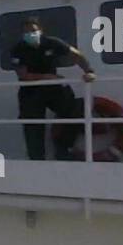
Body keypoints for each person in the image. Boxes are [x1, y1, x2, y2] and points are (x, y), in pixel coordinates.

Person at [8, 17, 97, 161]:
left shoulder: (52, 43)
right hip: (30, 92)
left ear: (40, 31)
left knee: (76, 109)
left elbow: (76, 55)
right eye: (26, 32)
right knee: (33, 126)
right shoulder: (17, 49)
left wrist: (89, 71)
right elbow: (24, 75)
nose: (30, 34)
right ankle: (36, 160)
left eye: (33, 30)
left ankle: (63, 148)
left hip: (53, 89)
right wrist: (48, 77)